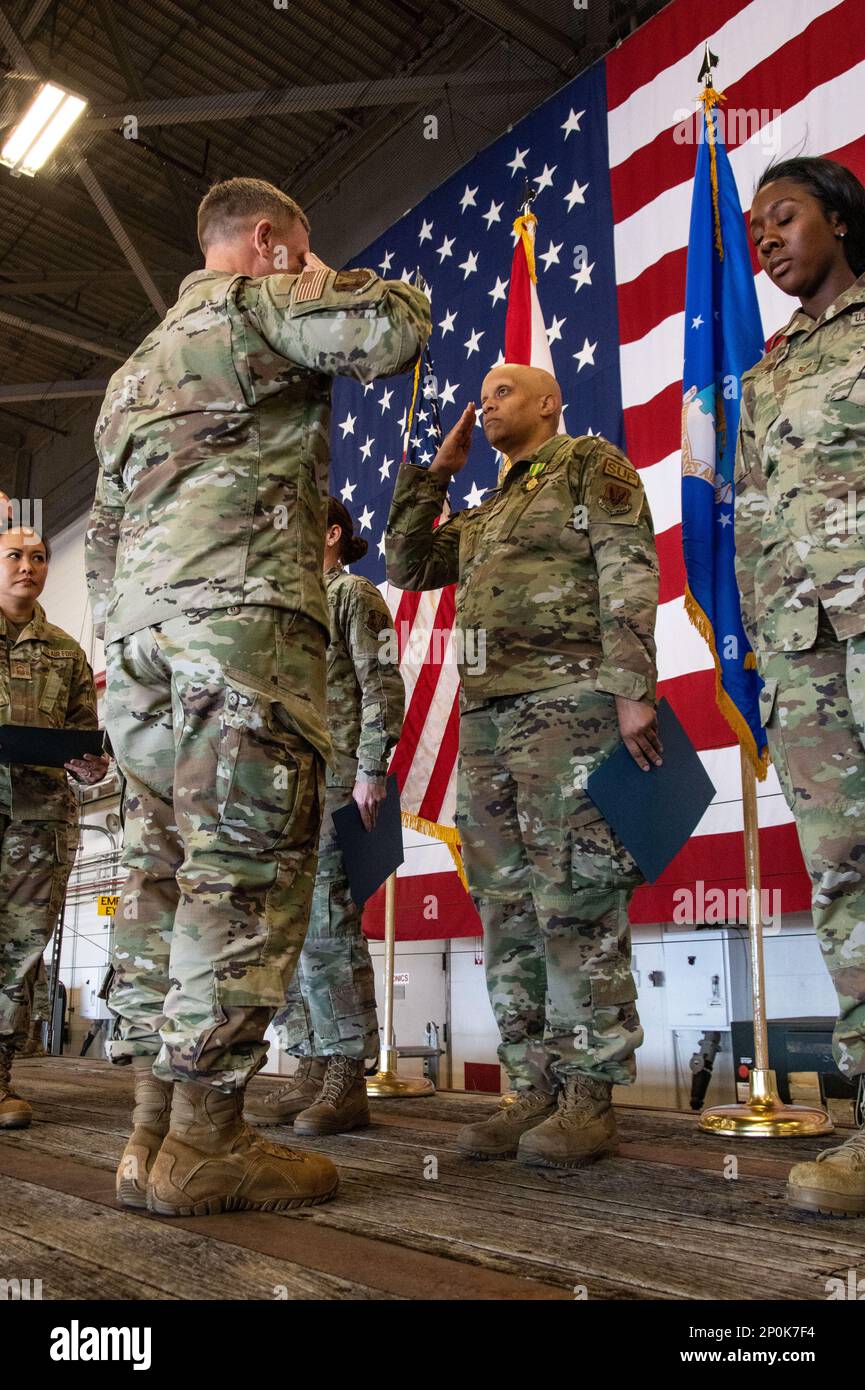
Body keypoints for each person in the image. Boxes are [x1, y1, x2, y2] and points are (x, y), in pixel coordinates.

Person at [85, 177, 430, 1217]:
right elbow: (396, 327)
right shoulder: (256, 304)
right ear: (270, 240)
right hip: (237, 638)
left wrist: (134, 632)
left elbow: (100, 541)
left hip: (140, 651)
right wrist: (325, 280)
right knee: (242, 876)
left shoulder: (132, 372)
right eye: (302, 249)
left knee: (158, 880)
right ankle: (206, 1140)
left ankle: (148, 1132)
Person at [385, 363, 660, 1167]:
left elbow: (626, 563)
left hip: (568, 707)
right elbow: (406, 566)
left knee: (574, 892)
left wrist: (631, 685)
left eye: (504, 391)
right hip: (487, 718)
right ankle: (530, 1088)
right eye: (482, 394)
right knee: (504, 902)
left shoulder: (588, 465)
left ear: (549, 403)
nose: (486, 402)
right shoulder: (484, 512)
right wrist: (434, 474)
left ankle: (587, 1093)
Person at [734, 156, 865, 1217]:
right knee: (845, 883)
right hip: (806, 661)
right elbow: (748, 524)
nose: (767, 239)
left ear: (838, 217)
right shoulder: (767, 373)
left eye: (784, 216)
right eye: (754, 229)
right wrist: (766, 657)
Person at [246, 498, 404, 1134]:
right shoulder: (286, 609)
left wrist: (371, 772)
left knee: (332, 928)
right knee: (289, 930)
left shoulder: (354, 595)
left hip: (338, 782)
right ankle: (309, 1062)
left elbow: (382, 682)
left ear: (332, 533)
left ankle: (346, 1074)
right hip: (283, 791)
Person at [0, 521, 108, 1128]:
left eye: (39, 557)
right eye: (14, 555)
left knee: (19, 947)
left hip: (39, 819)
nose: (29, 566)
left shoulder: (67, 652)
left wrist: (90, 766)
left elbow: (82, 741)